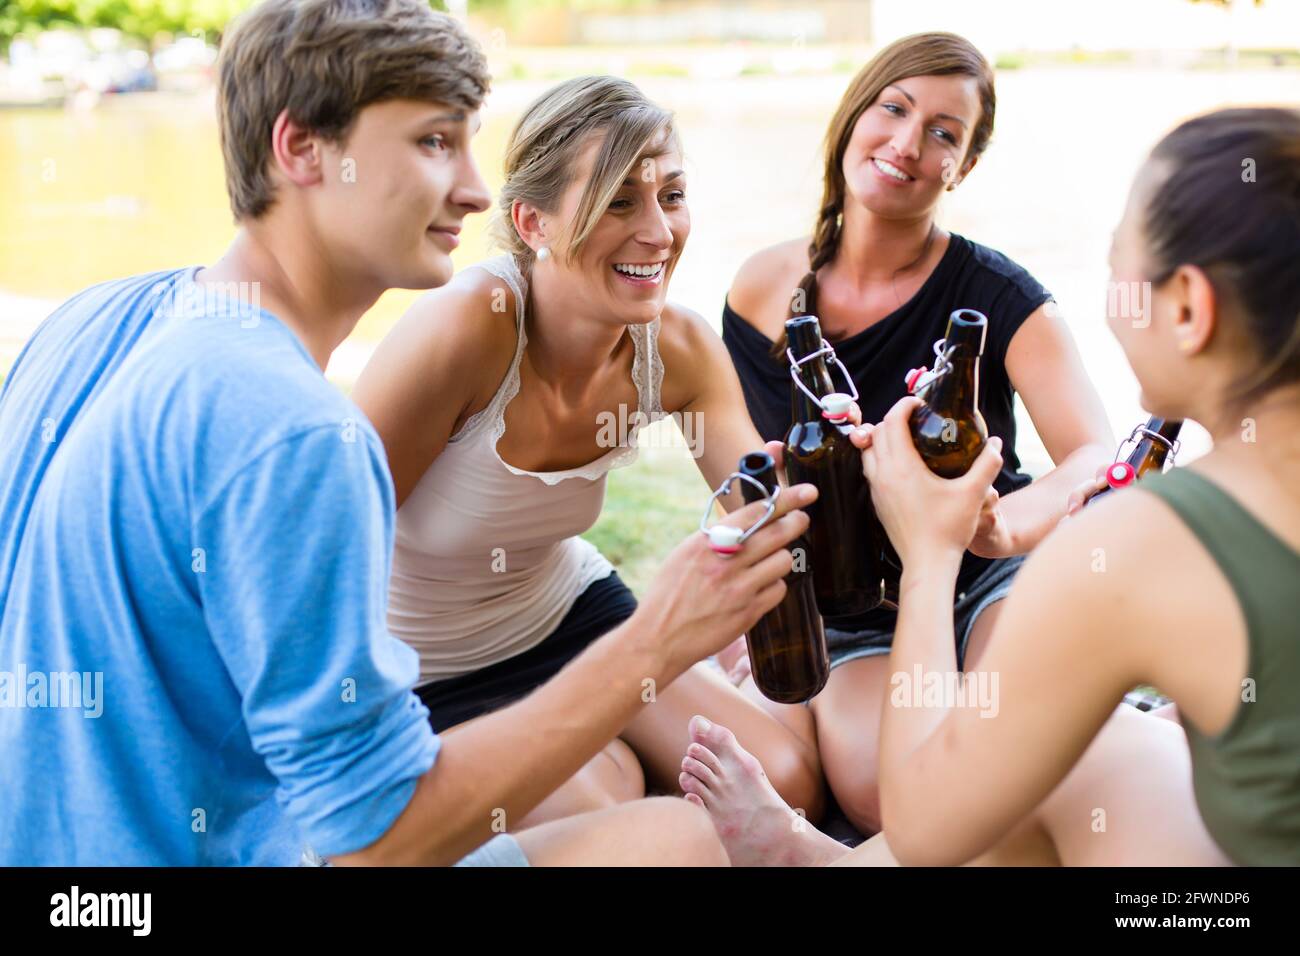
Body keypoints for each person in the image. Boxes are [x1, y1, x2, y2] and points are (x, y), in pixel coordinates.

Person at [0, 0, 812, 867]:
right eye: (433, 143)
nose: (474, 189)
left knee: (678, 792)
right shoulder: (298, 431)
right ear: (301, 148)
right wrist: (655, 638)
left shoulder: (100, 316)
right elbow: (372, 843)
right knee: (693, 842)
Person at [681, 106, 1299, 867]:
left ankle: (822, 863)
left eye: (1118, 264)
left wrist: (931, 550)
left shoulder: (1148, 541)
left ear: (1188, 309)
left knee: (1066, 756)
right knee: (1102, 740)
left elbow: (926, 828)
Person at [352, 75, 827, 829]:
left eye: (671, 195)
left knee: (786, 783)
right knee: (610, 809)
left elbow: (767, 514)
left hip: (569, 617)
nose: (659, 232)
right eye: (618, 201)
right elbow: (325, 546)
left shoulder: (676, 349)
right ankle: (622, 753)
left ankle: (671, 708)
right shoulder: (464, 331)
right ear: (532, 221)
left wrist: (852, 475)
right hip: (424, 670)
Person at [719, 31, 1113, 834]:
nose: (907, 143)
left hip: (984, 581)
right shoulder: (764, 289)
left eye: (943, 132)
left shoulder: (1001, 296)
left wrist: (1007, 529)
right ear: (855, 114)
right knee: (884, 794)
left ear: (961, 167)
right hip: (848, 611)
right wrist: (756, 603)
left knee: (1021, 742)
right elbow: (745, 470)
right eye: (893, 108)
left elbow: (1096, 452)